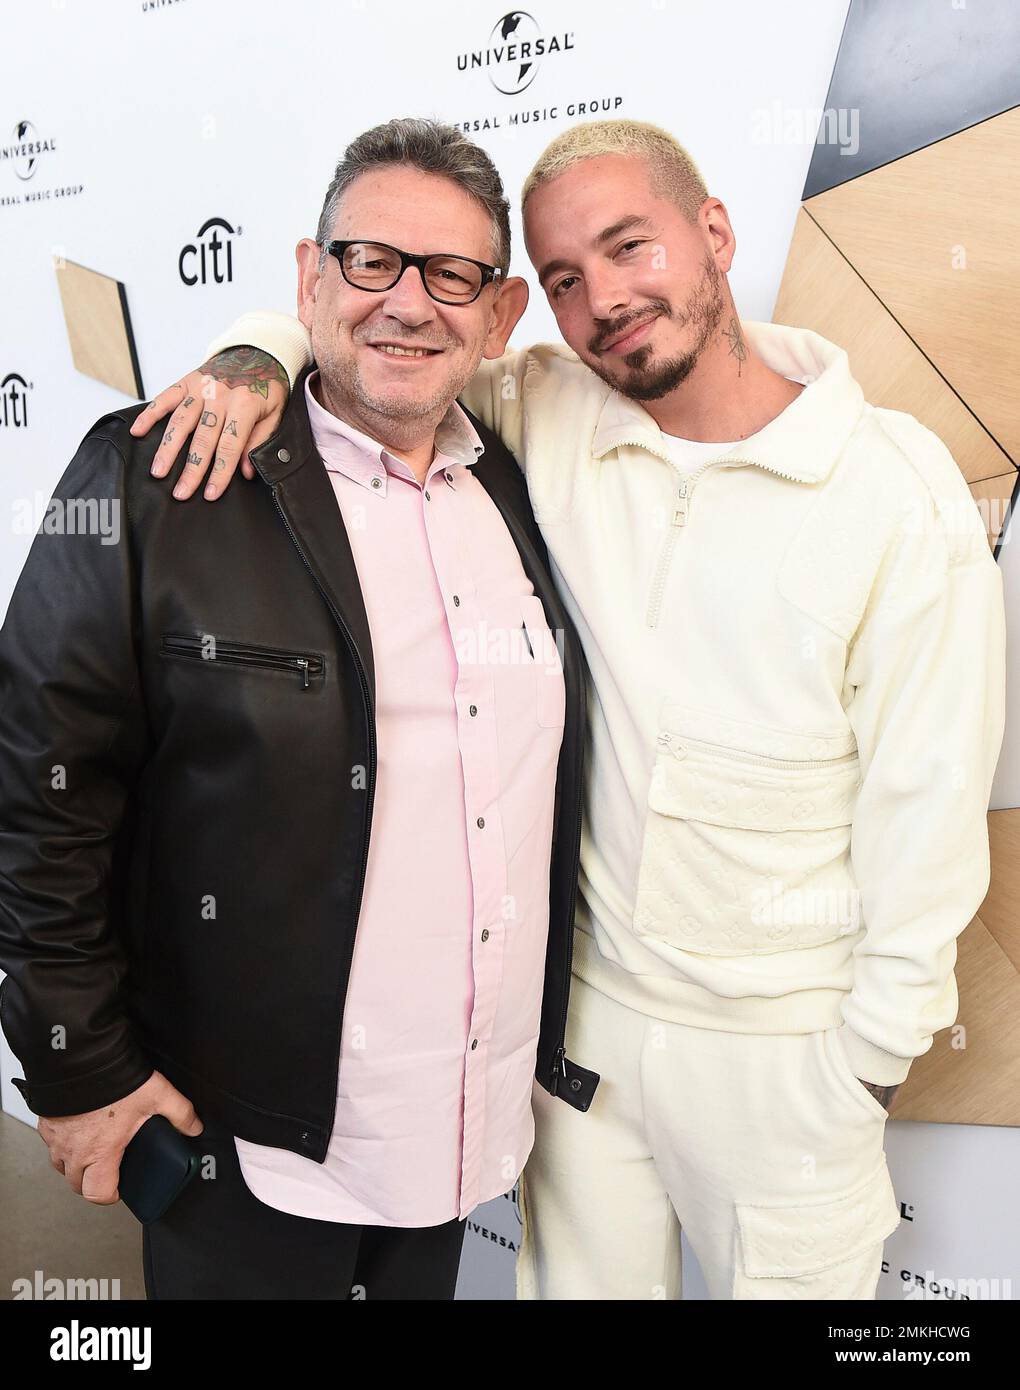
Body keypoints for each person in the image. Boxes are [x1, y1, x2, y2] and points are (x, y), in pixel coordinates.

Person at [134, 117, 1006, 1301]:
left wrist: (864, 1064)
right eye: (561, 281)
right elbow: (379, 337)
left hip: (785, 1055)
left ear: (713, 232)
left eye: (628, 247)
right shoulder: (543, 409)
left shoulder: (892, 490)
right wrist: (256, 344)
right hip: (583, 1038)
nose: (603, 300)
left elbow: (932, 800)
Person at [0, 118, 596, 1300]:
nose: (407, 304)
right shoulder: (162, 472)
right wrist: (78, 1069)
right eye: (370, 261)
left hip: (463, 1137)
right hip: (246, 1144)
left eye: (451, 275)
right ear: (309, 276)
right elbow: (38, 790)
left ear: (500, 313)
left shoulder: (519, 481)